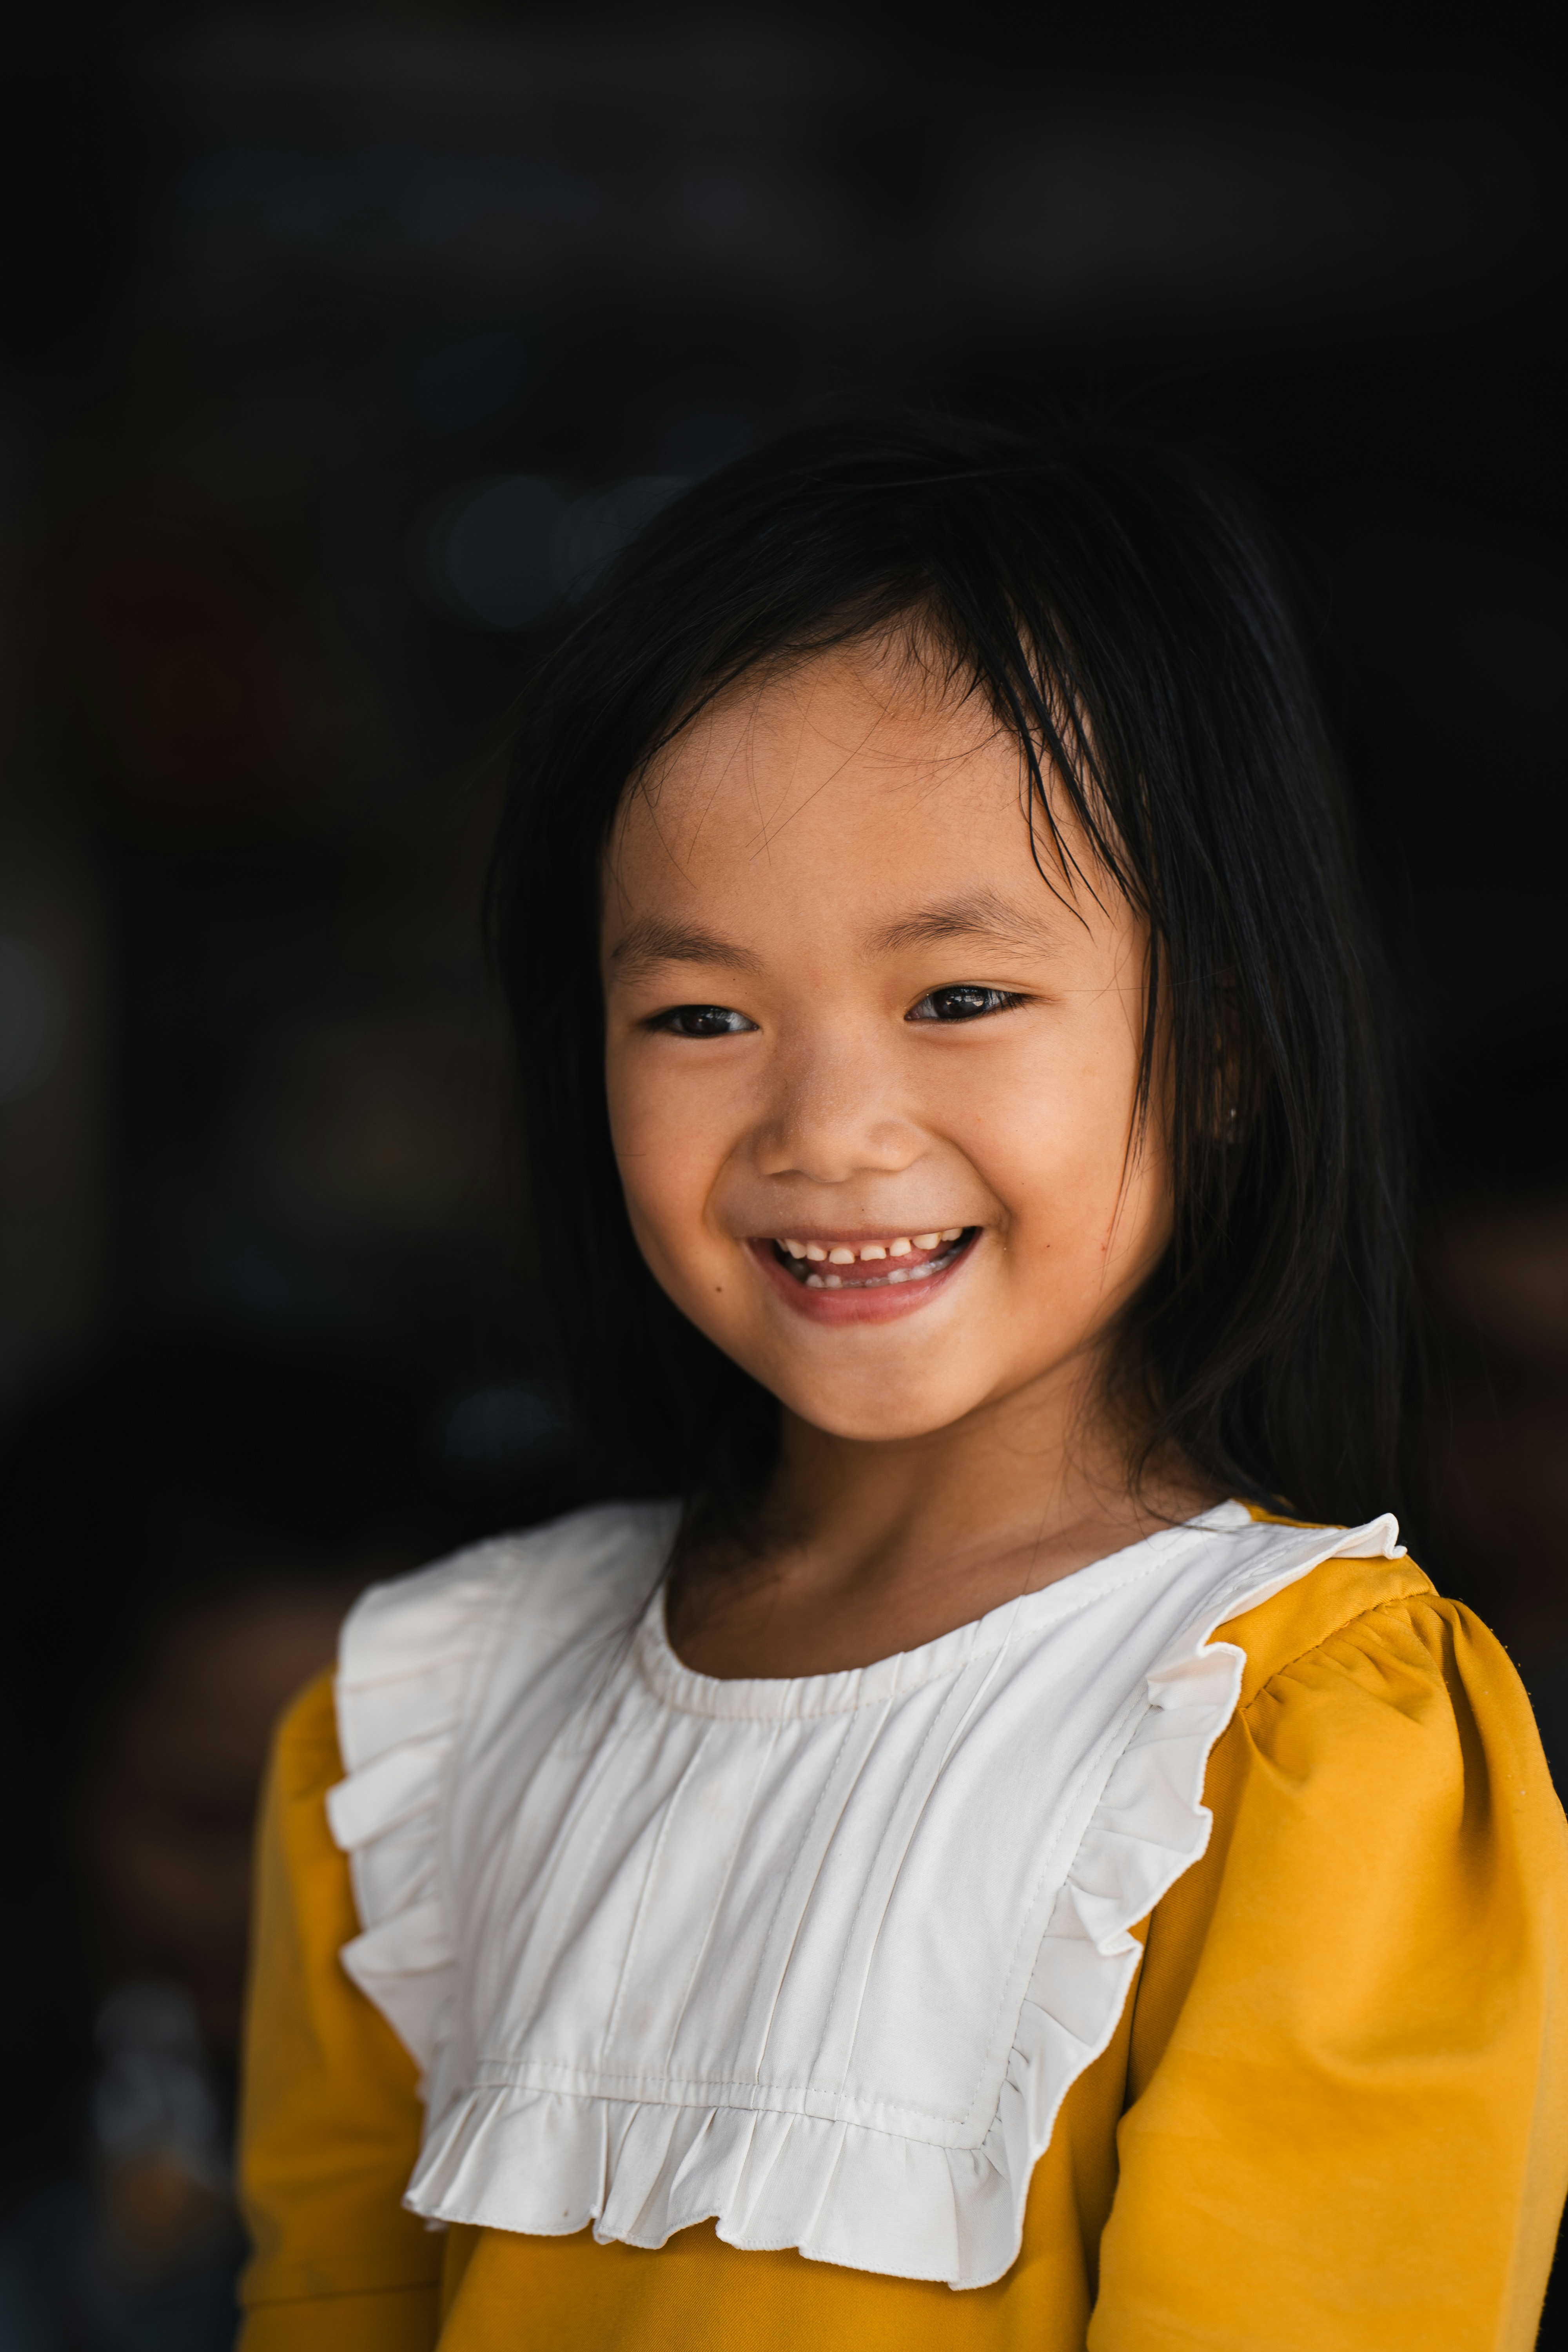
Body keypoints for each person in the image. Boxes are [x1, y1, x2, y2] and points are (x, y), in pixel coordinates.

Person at [234, 417, 1568, 2350]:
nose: (829, 1128)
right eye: (698, 1014)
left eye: (959, 997)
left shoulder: (1299, 1742)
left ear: (1220, 1045)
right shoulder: (409, 1733)